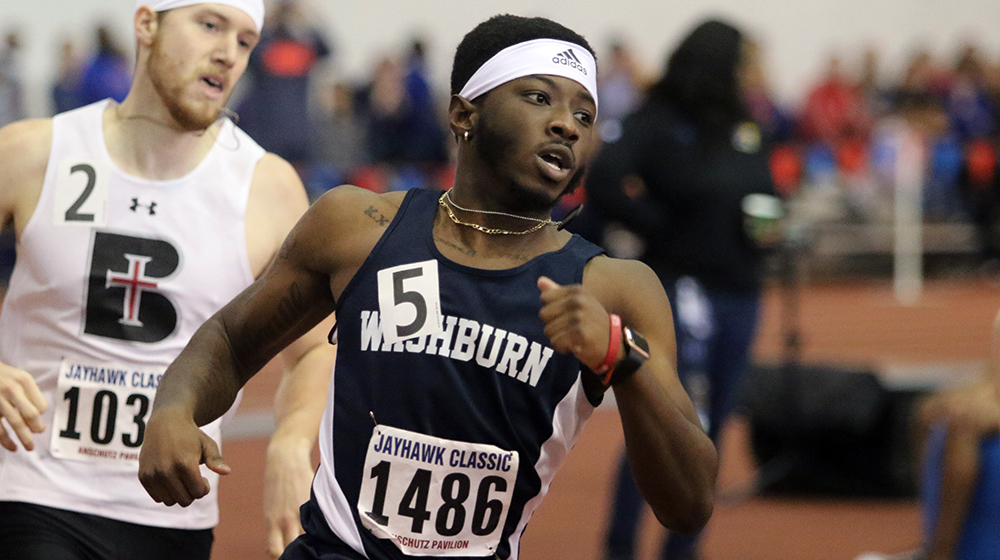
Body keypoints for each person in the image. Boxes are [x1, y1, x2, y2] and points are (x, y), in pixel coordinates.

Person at [137, 13, 719, 560]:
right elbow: (232, 340)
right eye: (539, 98)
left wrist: (623, 357)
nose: (567, 124)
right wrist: (173, 408)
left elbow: (689, 505)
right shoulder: (359, 230)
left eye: (585, 116)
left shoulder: (616, 287)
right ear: (465, 115)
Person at [0, 1, 336, 559]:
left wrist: (292, 440)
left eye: (246, 40)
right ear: (147, 24)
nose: (228, 52)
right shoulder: (33, 151)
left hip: (174, 511)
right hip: (30, 491)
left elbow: (315, 349)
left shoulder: (266, 188)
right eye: (209, 24)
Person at [585, 19, 782, 560]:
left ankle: (682, 551)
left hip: (741, 293)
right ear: (721, 63)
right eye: (745, 61)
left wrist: (770, 234)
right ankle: (620, 546)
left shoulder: (750, 126)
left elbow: (766, 196)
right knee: (661, 420)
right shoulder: (658, 119)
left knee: (712, 429)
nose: (755, 72)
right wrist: (658, 226)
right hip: (675, 291)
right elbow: (604, 179)